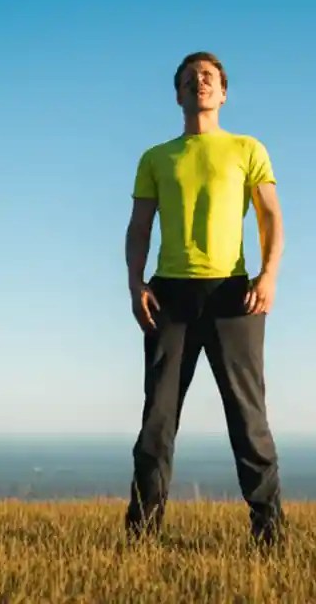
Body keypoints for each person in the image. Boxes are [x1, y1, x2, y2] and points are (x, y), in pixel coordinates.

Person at [123, 51, 286, 546]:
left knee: (248, 420)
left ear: (223, 92)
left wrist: (269, 275)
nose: (200, 83)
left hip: (233, 296)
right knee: (157, 423)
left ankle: (271, 538)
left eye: (209, 77)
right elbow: (139, 227)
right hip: (168, 297)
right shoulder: (156, 157)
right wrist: (135, 283)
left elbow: (271, 217)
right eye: (191, 79)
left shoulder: (247, 148)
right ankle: (141, 540)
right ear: (177, 94)